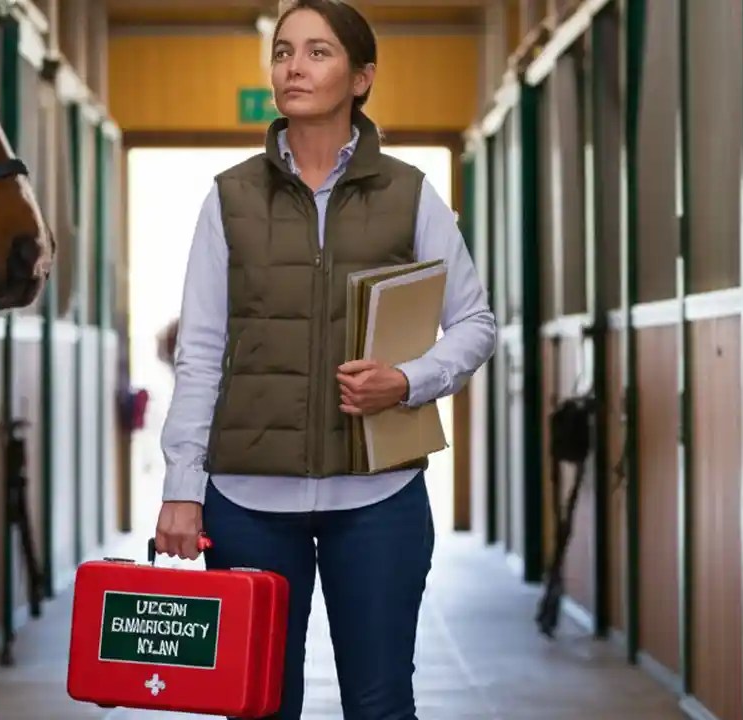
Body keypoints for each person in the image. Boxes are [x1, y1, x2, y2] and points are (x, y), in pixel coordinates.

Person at [154, 1, 496, 718]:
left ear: (362, 76)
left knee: (379, 704)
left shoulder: (409, 193)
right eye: (282, 52)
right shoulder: (230, 199)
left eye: (317, 52)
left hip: (378, 500)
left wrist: (408, 381)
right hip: (248, 501)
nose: (293, 67)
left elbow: (474, 322)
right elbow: (202, 352)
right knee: (257, 705)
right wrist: (182, 489)